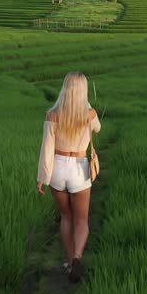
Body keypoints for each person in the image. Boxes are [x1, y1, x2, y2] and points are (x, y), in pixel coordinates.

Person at [36, 71, 101, 283]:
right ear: (83, 91)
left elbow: (47, 149)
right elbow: (98, 129)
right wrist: (88, 106)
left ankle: (69, 262)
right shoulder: (89, 114)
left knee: (66, 217)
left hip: (57, 169)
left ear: (64, 89)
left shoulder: (52, 115)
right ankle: (77, 257)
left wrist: (42, 178)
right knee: (81, 219)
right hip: (79, 168)